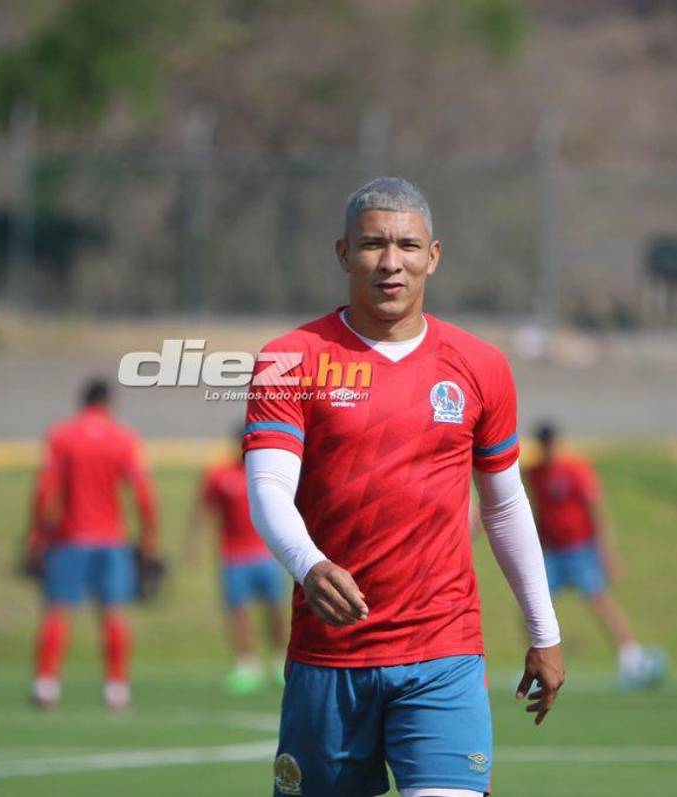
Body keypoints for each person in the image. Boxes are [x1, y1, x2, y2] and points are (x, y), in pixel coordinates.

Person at [244, 177, 564, 797]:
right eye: (373, 245)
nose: (391, 263)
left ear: (433, 256)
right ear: (343, 254)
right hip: (330, 658)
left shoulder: (479, 365)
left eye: (408, 246)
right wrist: (309, 566)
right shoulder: (290, 358)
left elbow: (503, 507)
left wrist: (543, 631)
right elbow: (267, 490)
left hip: (442, 653)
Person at [23, 378, 160, 711]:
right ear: (108, 403)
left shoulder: (62, 436)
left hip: (69, 538)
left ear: (81, 402)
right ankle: (116, 688)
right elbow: (143, 496)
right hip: (111, 540)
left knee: (58, 610)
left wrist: (37, 534)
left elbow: (45, 490)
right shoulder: (123, 438)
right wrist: (148, 540)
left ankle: (46, 685)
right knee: (113, 613)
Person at [526, 422, 666, 689]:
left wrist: (607, 553)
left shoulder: (575, 470)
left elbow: (596, 511)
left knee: (600, 602)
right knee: (531, 606)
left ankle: (632, 659)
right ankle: (537, 667)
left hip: (579, 548)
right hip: (551, 551)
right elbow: (536, 511)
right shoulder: (534, 473)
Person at [186, 435, 287, 695]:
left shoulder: (266, 474)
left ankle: (279, 661)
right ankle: (246, 664)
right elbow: (202, 509)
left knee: (274, 609)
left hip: (265, 554)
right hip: (234, 556)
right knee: (238, 612)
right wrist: (193, 545)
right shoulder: (220, 476)